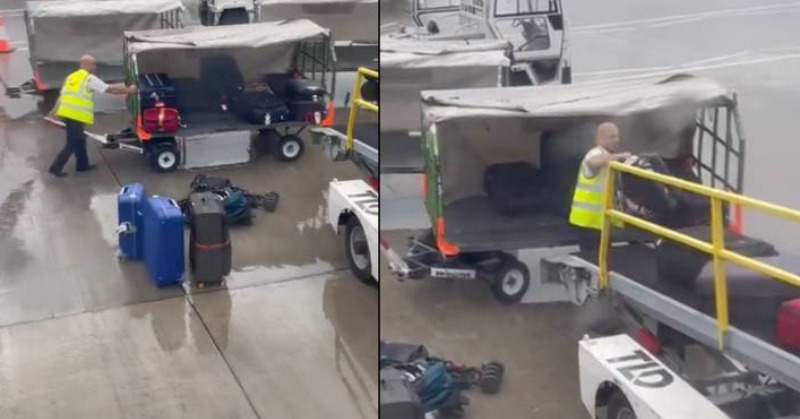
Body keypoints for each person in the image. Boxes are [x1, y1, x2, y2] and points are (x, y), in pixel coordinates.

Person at [48, 55, 136, 177]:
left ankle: (82, 165)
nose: (95, 67)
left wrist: (53, 113)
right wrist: (129, 90)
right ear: (87, 65)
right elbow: (109, 89)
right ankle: (55, 167)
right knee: (73, 142)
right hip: (75, 114)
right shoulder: (88, 79)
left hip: (68, 113)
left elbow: (61, 96)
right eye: (94, 65)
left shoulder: (71, 77)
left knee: (80, 139)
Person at [569, 122, 632, 251]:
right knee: (595, 260)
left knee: (603, 259)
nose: (617, 140)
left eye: (617, 136)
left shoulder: (609, 158)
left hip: (600, 222)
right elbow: (593, 161)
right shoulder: (594, 153)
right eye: (612, 137)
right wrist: (621, 156)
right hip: (588, 222)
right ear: (599, 139)